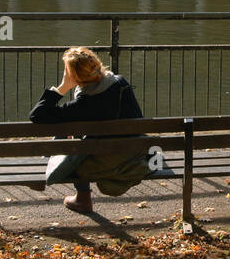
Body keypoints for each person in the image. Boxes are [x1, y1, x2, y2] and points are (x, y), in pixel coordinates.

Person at [30, 47, 150, 214]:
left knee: (72, 143)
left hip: (110, 160)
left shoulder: (82, 106)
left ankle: (82, 197)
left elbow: (37, 115)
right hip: (134, 150)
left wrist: (63, 87)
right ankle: (55, 174)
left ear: (74, 76)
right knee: (70, 130)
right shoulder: (120, 83)